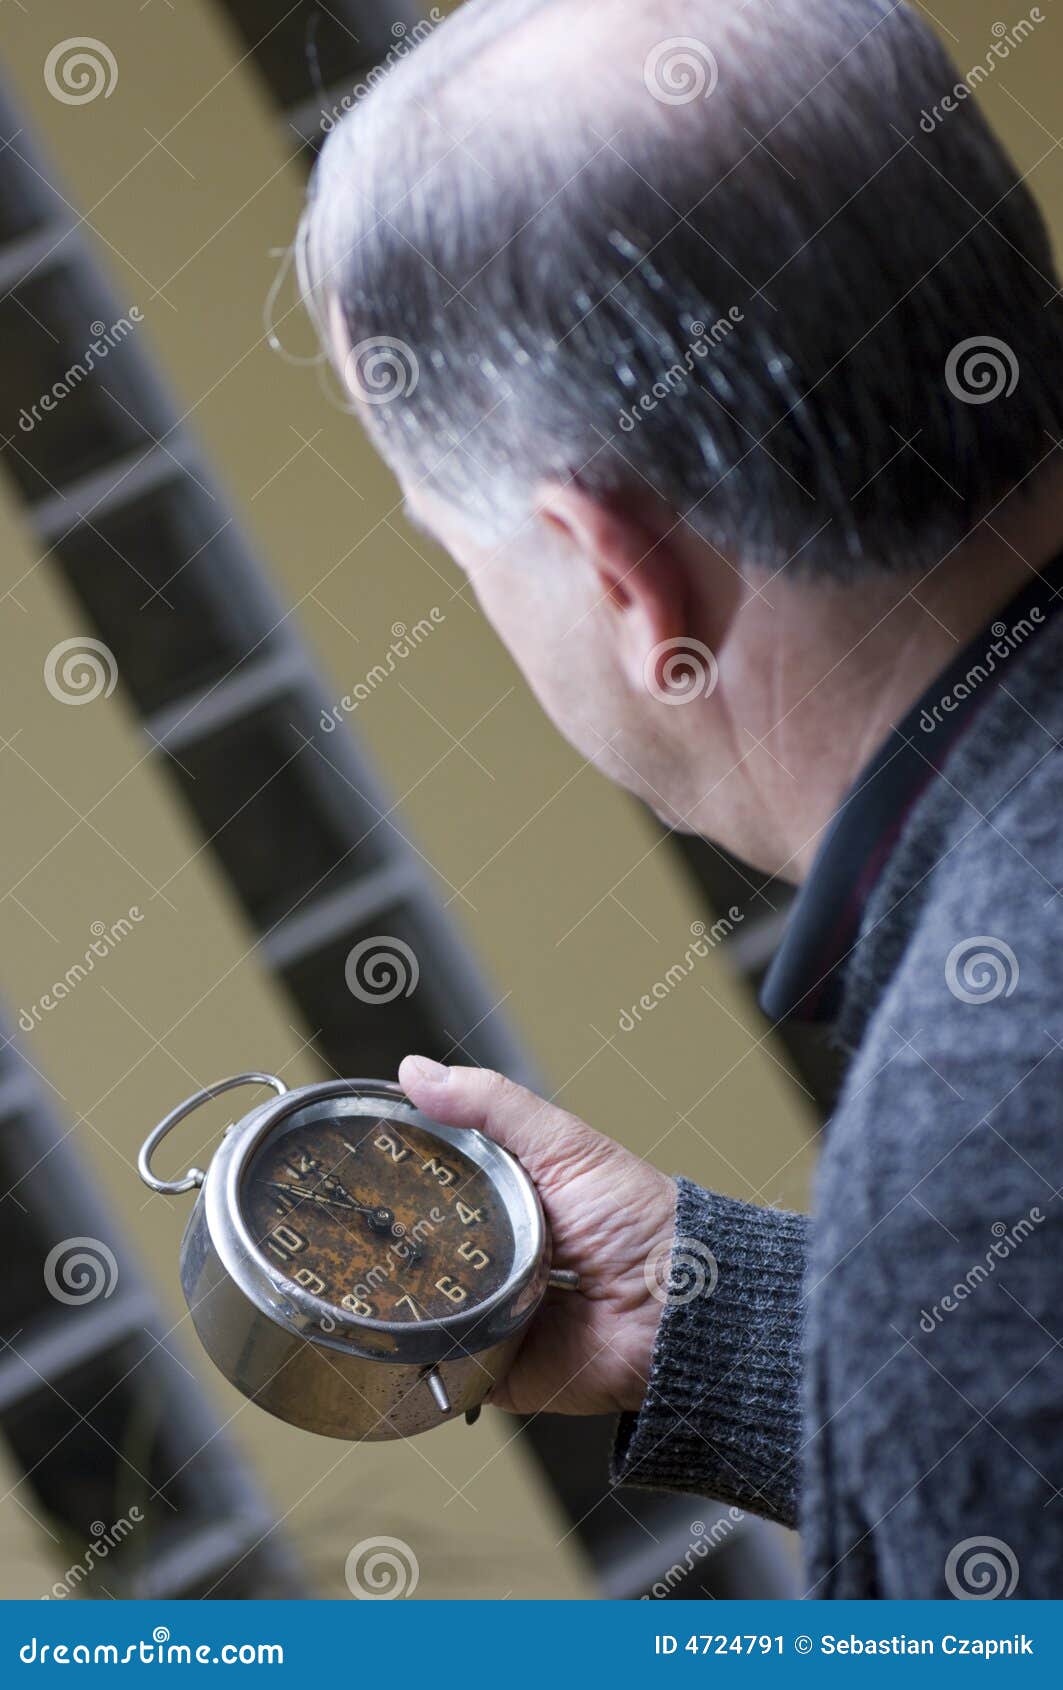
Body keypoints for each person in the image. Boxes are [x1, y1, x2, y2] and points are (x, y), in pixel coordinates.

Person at [298, 0, 1063, 1597]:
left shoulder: (986, 1117)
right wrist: (742, 1311)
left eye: (468, 561)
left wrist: (922, 1259)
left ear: (618, 571)